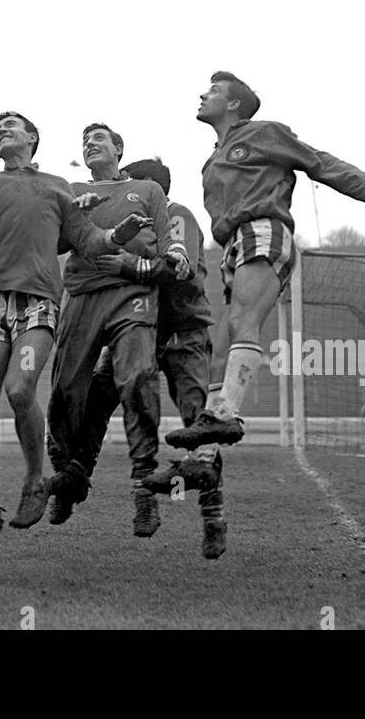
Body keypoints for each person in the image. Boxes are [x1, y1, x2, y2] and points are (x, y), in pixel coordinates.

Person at [167, 71, 365, 451]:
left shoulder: (264, 133)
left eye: (213, 90)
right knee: (220, 349)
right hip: (234, 243)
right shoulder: (213, 158)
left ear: (233, 104)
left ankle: (225, 415)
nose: (202, 94)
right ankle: (205, 456)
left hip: (264, 231)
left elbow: (318, 161)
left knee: (244, 323)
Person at [0, 111, 152, 549]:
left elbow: (89, 240)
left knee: (20, 389)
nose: (2, 131)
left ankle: (36, 481)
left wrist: (118, 234)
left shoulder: (58, 186)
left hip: (36, 305)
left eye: (12, 126)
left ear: (32, 138)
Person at [66, 156, 227, 559]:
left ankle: (213, 516)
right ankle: (78, 480)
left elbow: (181, 270)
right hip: (142, 329)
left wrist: (132, 266)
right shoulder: (136, 226)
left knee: (197, 422)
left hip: (183, 330)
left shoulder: (177, 216)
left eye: (129, 188)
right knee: (99, 398)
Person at [44, 125, 190, 539]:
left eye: (99, 139)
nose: (89, 144)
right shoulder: (70, 188)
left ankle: (144, 487)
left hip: (133, 295)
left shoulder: (146, 189)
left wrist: (176, 256)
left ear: (118, 150)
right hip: (82, 294)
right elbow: (53, 243)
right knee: (66, 389)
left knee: (137, 378)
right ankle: (66, 478)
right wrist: (78, 214)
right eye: (84, 140)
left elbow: (168, 241)